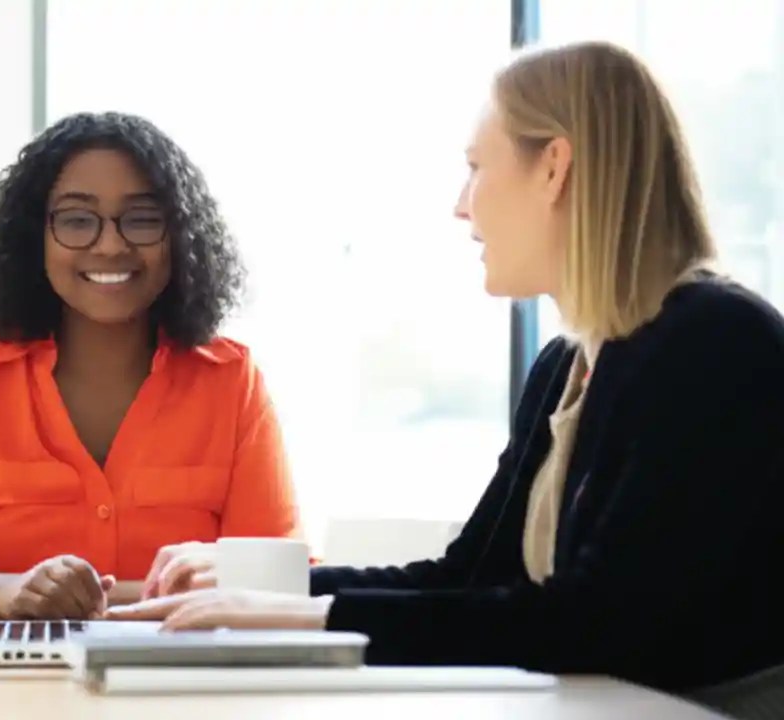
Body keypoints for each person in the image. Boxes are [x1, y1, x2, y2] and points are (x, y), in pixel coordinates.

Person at [108, 41, 784, 695]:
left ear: (554, 167)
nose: (461, 205)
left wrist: (307, 619)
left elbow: (597, 623)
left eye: (475, 167)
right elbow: (468, 576)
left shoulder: (716, 343)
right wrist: (262, 585)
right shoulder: (567, 367)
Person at [0, 111, 301, 622]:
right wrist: (6, 592)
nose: (110, 245)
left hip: (178, 688)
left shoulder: (232, 380)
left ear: (180, 237)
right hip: (6, 688)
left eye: (143, 218)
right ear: (33, 236)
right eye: (77, 220)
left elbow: (280, 580)